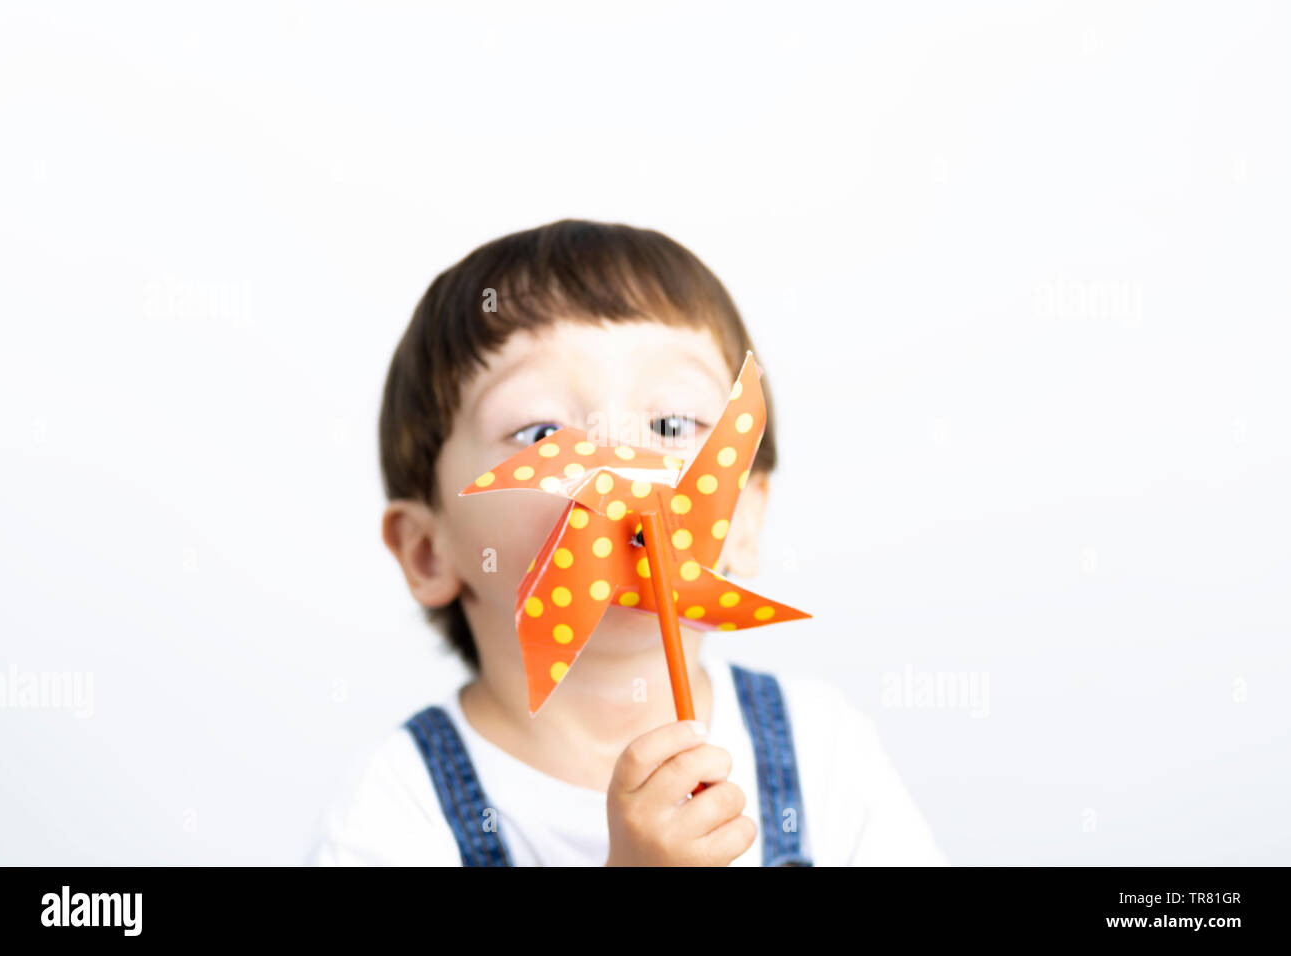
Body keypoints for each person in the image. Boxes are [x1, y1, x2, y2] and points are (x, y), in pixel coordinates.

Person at [306, 219, 948, 866]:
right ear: (426, 551)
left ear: (743, 521)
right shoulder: (396, 811)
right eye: (539, 433)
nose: (623, 460)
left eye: (671, 422)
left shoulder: (824, 753)